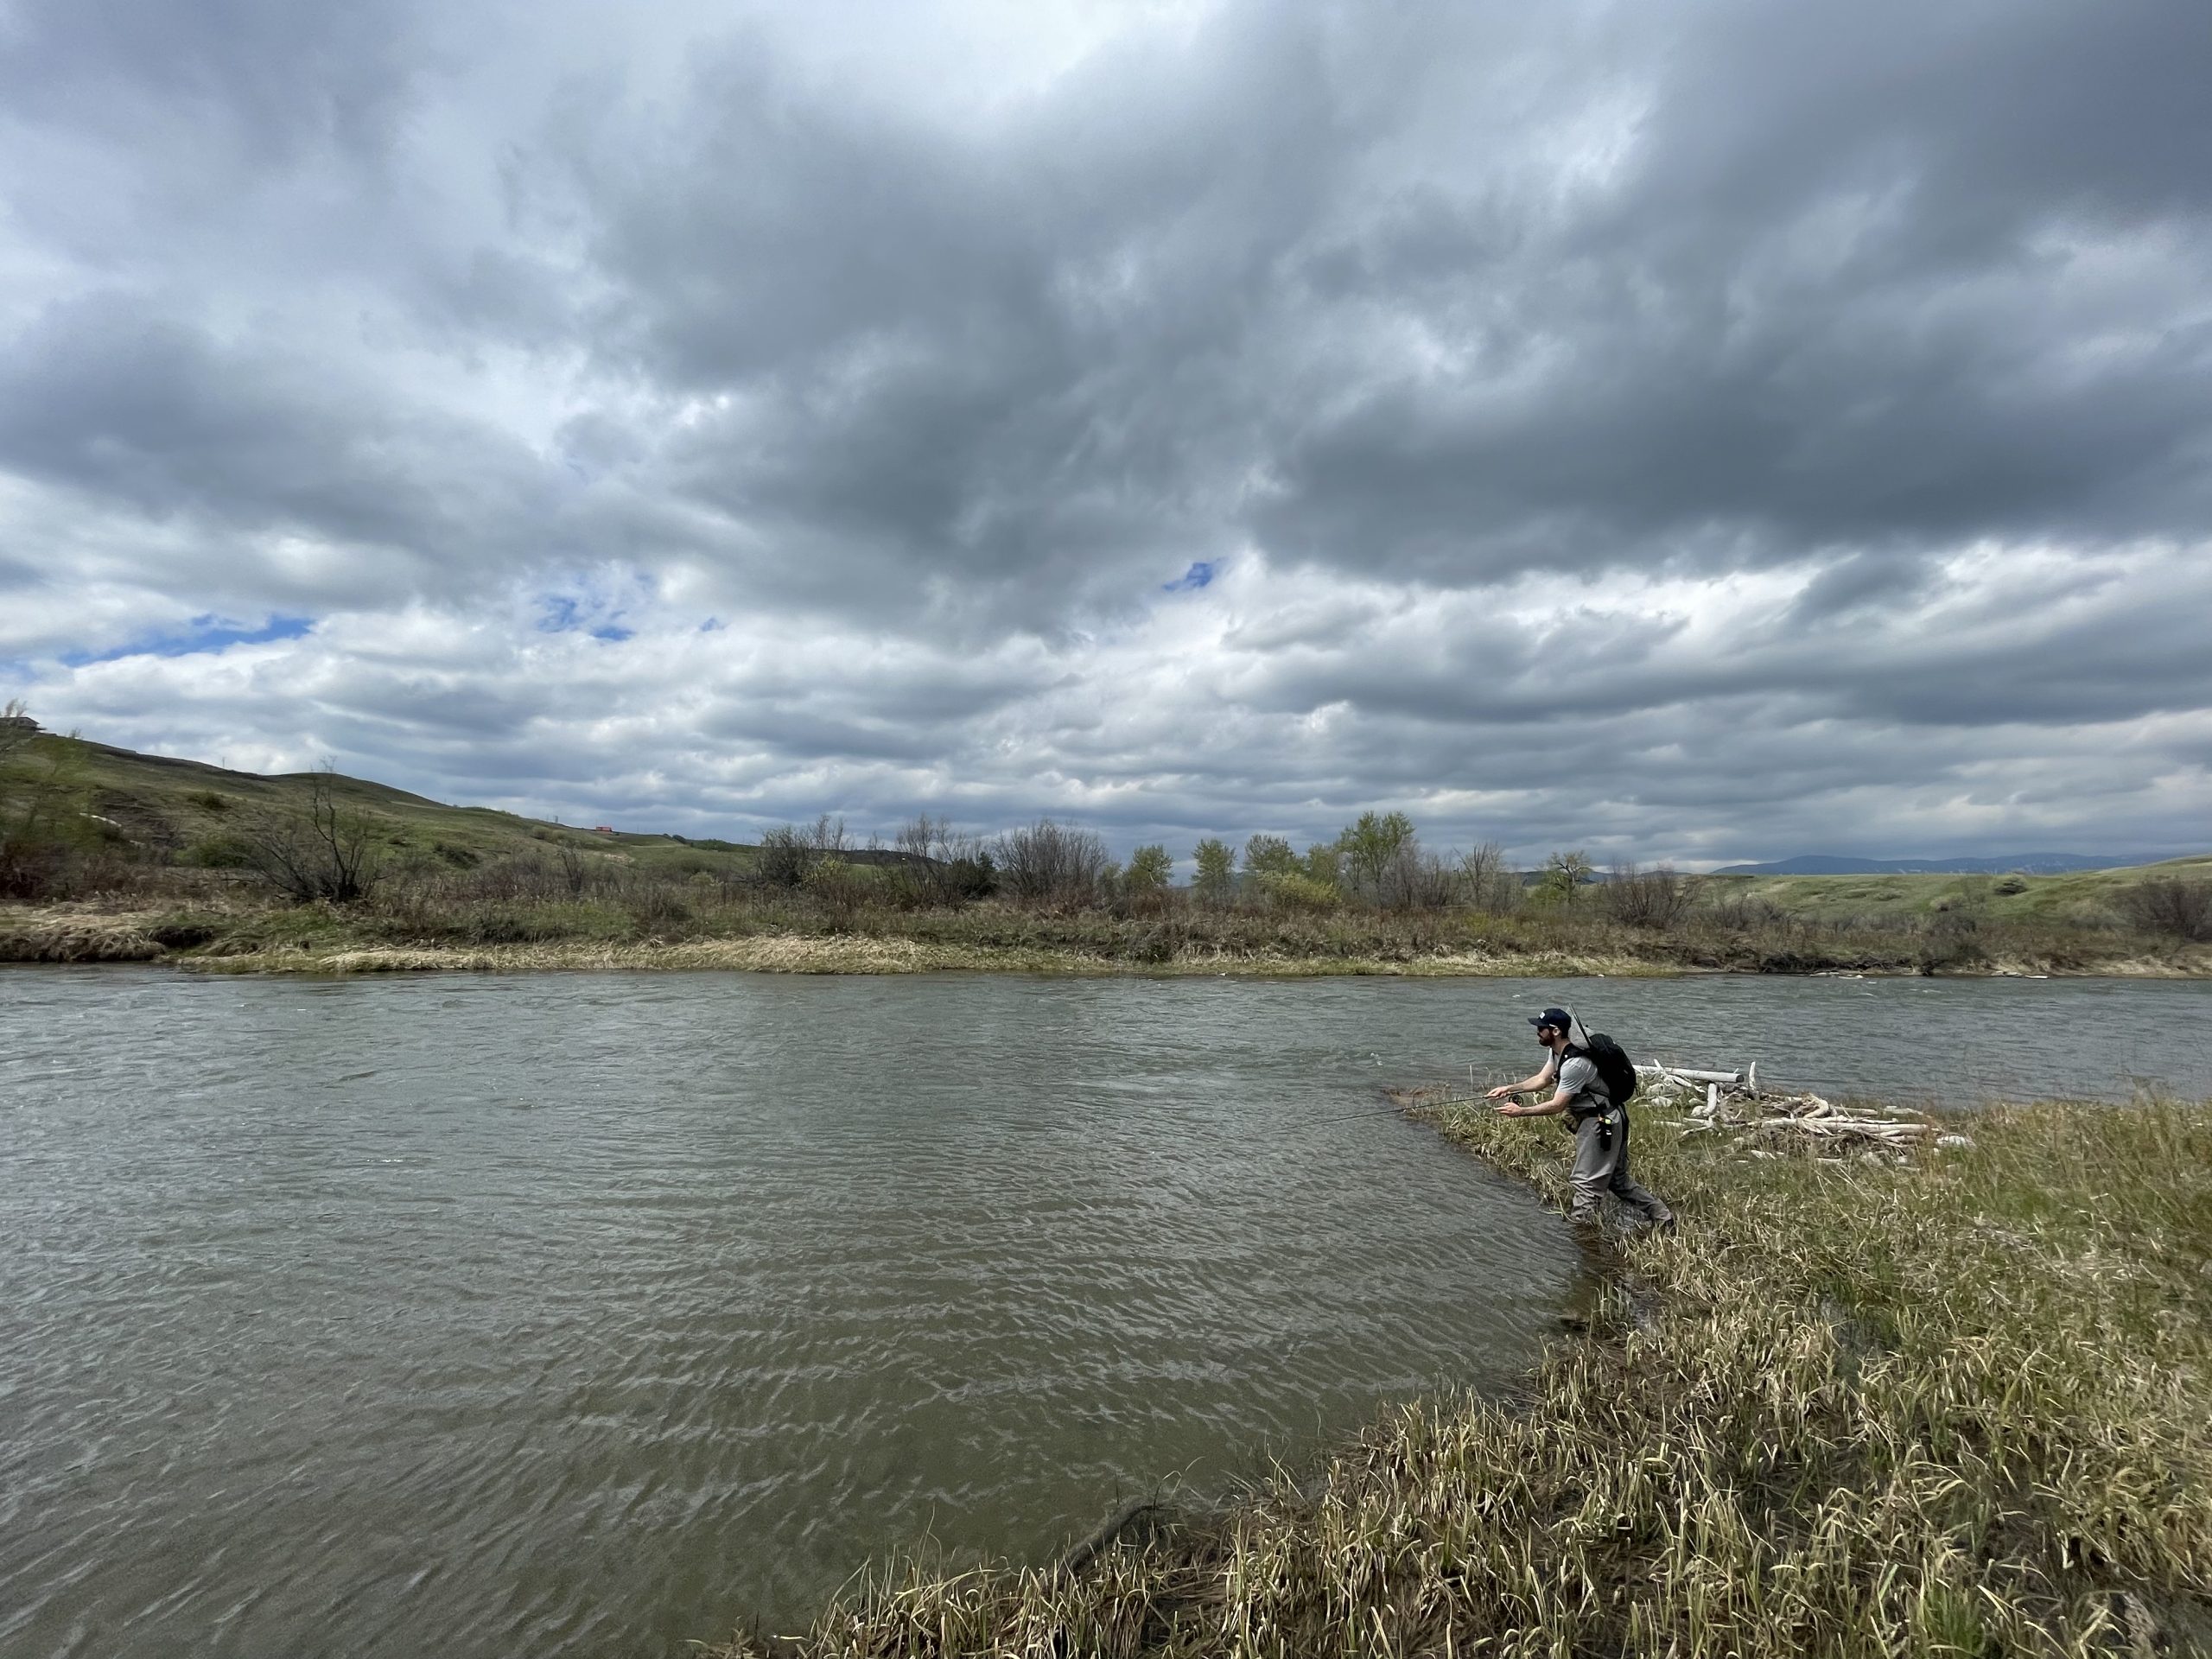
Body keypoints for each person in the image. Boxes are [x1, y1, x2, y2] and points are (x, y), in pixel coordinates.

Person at [1488, 1007, 1674, 1233]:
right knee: (1616, 1181)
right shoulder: (1558, 1051)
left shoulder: (1576, 1064)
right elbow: (1542, 1079)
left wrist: (1521, 1112)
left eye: (1540, 1028)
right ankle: (1663, 1217)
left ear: (1555, 1031)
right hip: (1603, 1117)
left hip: (1602, 1122)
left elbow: (1557, 1105)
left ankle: (1582, 1234)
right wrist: (1509, 1088)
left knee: (1586, 1184)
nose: (1537, 1031)